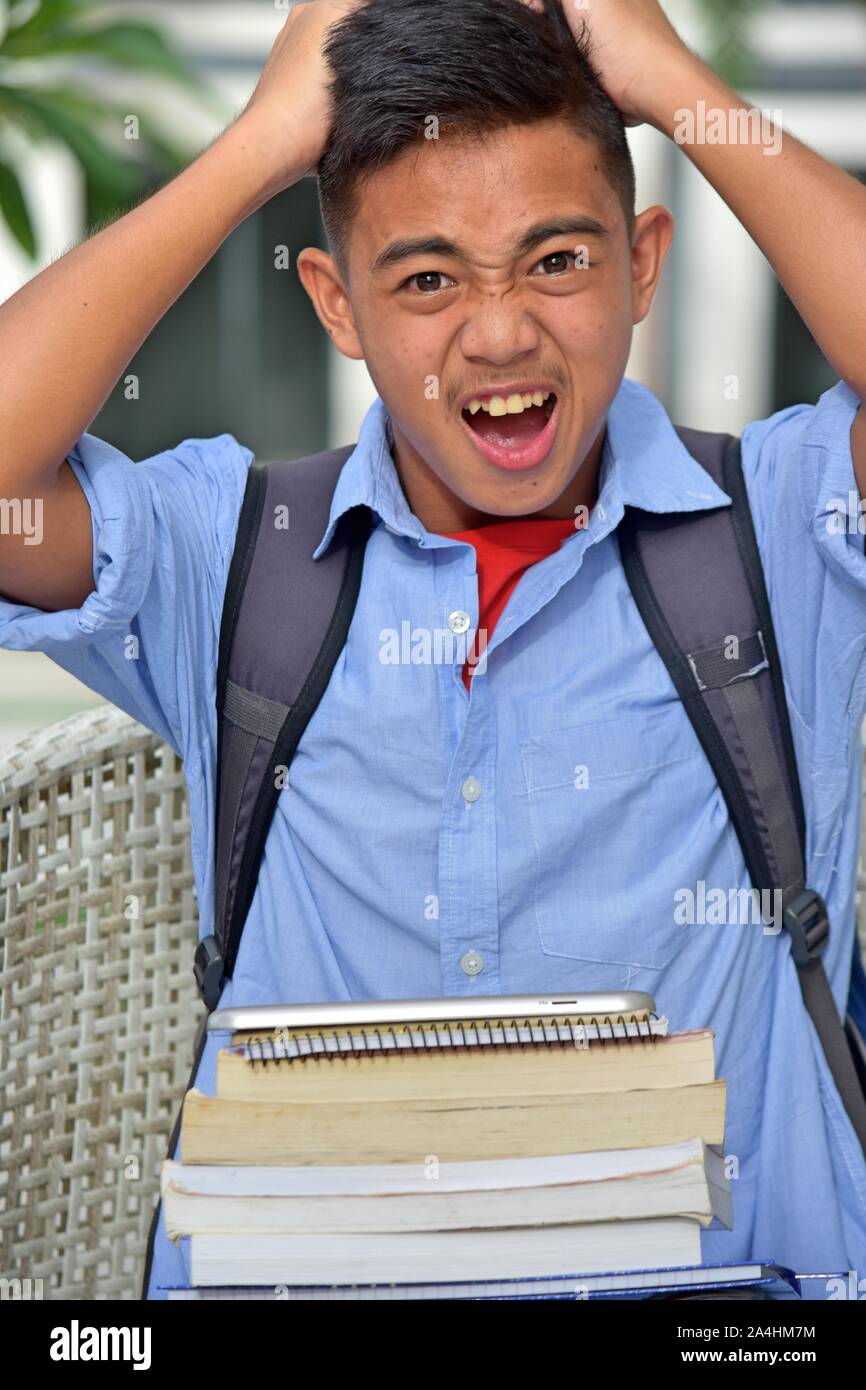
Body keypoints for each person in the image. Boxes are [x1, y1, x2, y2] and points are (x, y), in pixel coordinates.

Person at [0, 0, 864, 1299]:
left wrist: (671, 79)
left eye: (557, 261)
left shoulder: (784, 529)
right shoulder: (226, 553)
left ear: (642, 263)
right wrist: (256, 146)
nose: (500, 331)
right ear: (334, 305)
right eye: (424, 279)